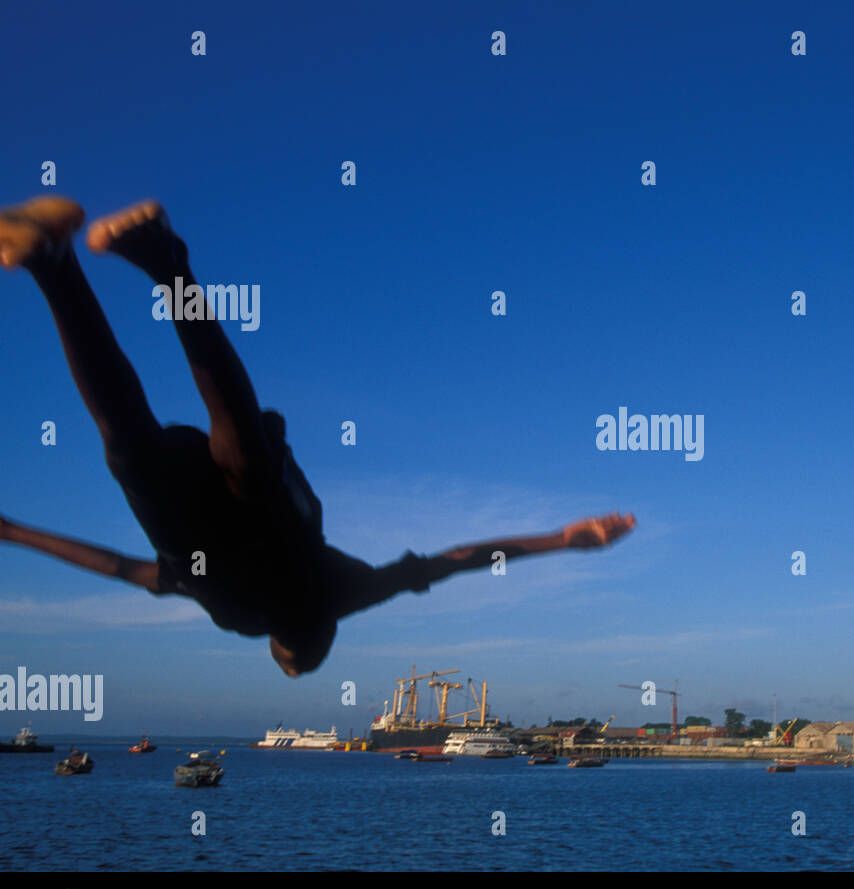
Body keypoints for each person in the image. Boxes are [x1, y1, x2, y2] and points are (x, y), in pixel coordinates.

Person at [0, 197, 635, 676]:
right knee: (135, 437)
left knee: (221, 443)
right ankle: (71, 264)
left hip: (224, 501)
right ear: (296, 645)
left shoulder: (336, 596)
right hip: (206, 506)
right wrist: (12, 531)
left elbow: (458, 562)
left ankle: (107, 262)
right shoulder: (306, 602)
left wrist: (562, 540)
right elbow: (114, 567)